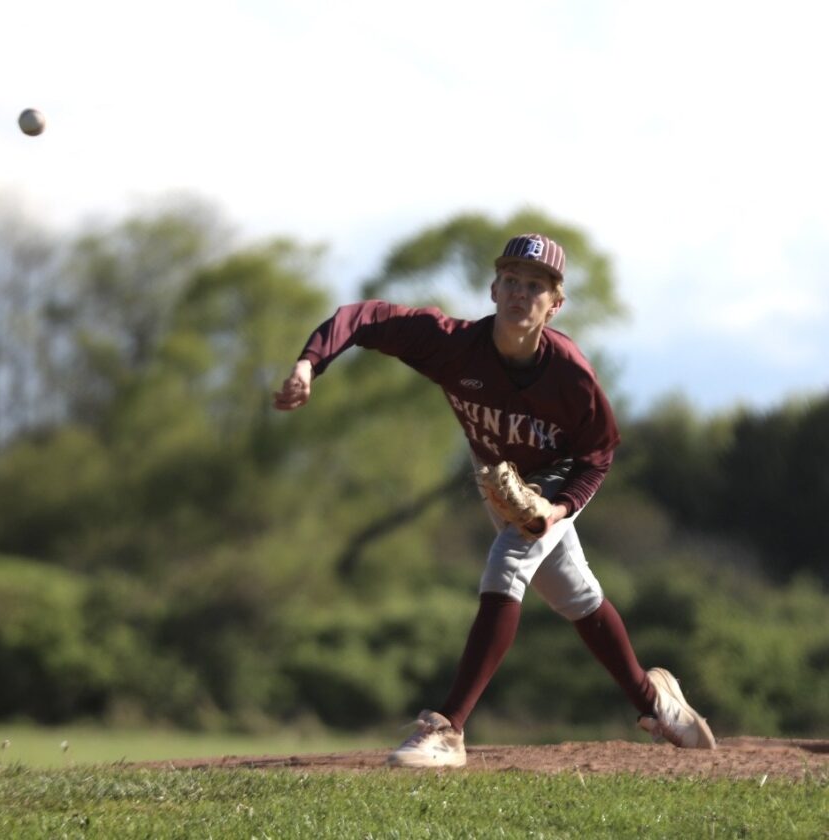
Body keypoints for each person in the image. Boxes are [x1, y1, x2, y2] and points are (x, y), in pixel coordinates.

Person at [272, 233, 716, 768]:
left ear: (556, 303)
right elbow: (363, 317)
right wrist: (309, 364)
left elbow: (598, 455)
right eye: (511, 280)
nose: (520, 293)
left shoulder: (571, 374)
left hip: (556, 480)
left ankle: (449, 729)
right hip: (498, 479)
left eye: (536, 285)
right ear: (493, 288)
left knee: (508, 562)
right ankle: (655, 702)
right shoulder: (453, 345)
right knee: (574, 594)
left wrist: (558, 508)